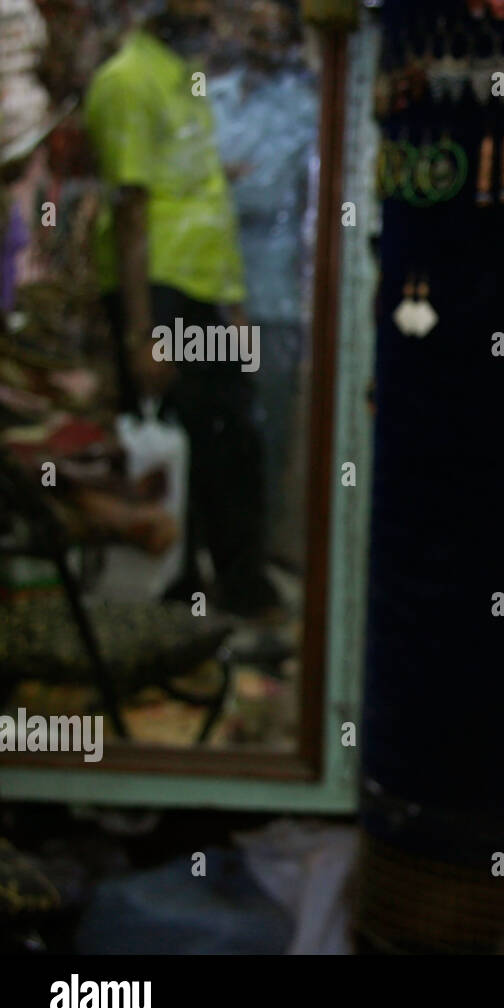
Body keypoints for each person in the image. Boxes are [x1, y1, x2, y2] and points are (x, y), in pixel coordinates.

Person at [84, 0, 280, 617]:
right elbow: (131, 209)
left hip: (200, 292)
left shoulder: (185, 81)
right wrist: (143, 333)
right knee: (200, 441)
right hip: (161, 292)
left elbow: (208, 197)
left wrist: (234, 307)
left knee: (225, 439)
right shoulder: (127, 82)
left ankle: (217, 593)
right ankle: (203, 596)